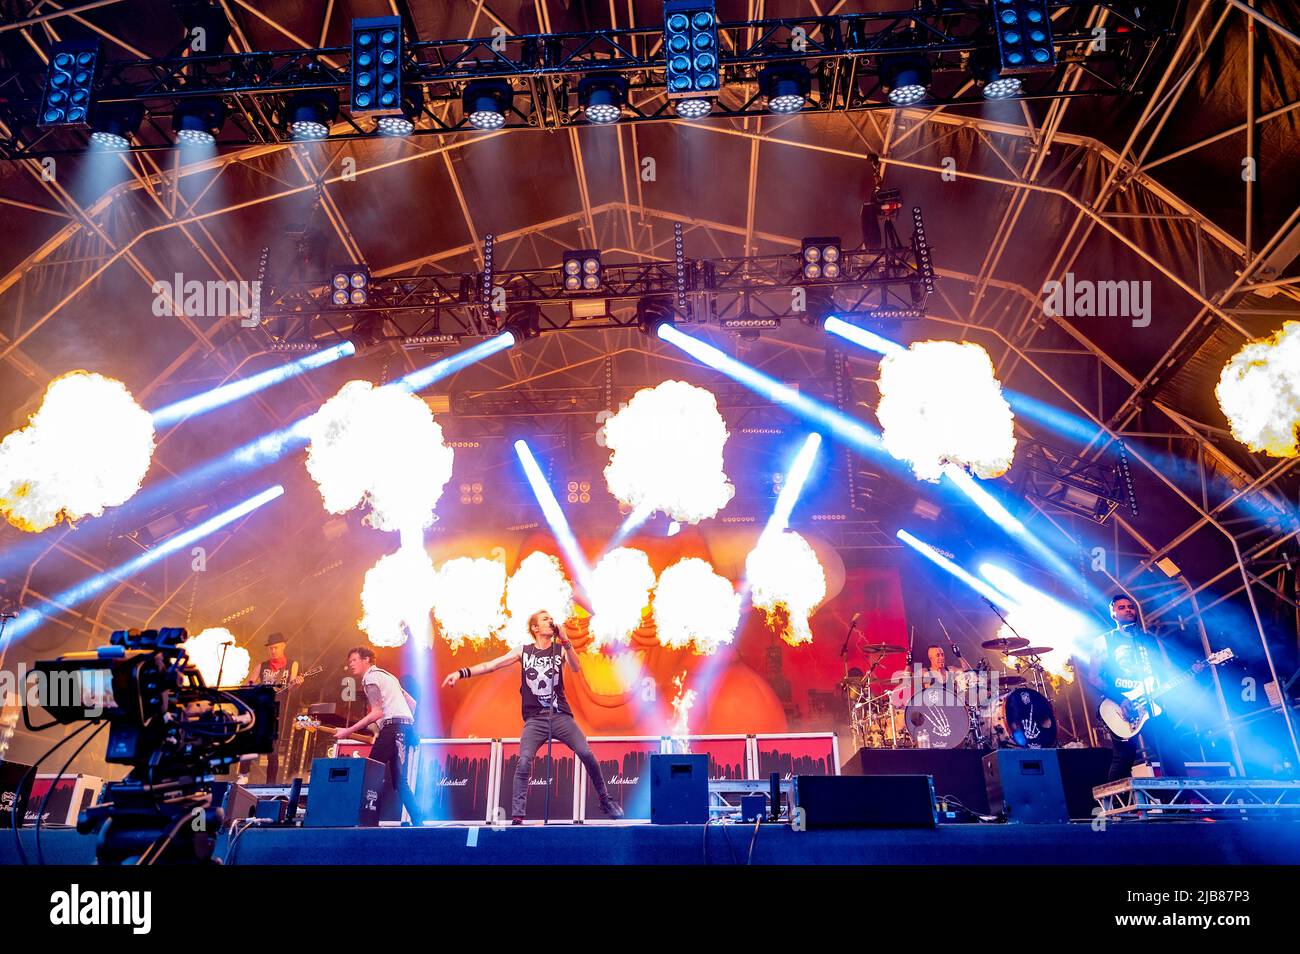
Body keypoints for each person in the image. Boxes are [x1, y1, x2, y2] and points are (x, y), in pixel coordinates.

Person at [442, 610, 624, 824]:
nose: (550, 621)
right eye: (545, 619)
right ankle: (518, 815)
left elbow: (576, 667)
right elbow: (491, 665)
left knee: (586, 753)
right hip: (535, 720)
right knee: (524, 761)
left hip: (560, 716)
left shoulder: (559, 649)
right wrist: (461, 673)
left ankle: (606, 799)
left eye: (550, 619)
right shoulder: (524, 651)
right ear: (535, 628)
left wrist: (566, 641)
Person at [1089, 594, 1203, 782]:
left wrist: (1190, 672)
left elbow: (1166, 669)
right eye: (1122, 607)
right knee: (1124, 759)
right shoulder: (1104, 641)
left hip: (1152, 705)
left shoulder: (1150, 640)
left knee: (1172, 753)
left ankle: (1180, 807)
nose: (1128, 610)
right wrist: (1121, 699)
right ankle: (1119, 809)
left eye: (1130, 606)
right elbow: (1094, 678)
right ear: (1113, 614)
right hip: (1120, 706)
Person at [336, 647, 423, 825]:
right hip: (405, 728)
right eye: (349, 661)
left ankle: (364, 820)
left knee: (370, 774)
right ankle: (419, 821)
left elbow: (377, 712)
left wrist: (348, 731)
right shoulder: (389, 676)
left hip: (393, 729)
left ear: (366, 659)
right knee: (400, 781)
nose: (350, 664)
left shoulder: (371, 678)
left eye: (354, 660)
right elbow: (412, 704)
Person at [246, 632, 303, 784]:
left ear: (283, 646)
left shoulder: (292, 664)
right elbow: (248, 685)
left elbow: (291, 688)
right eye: (270, 648)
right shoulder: (262, 666)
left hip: (277, 710)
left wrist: (296, 683)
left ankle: (270, 783)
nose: (273, 651)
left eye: (276, 647)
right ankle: (243, 776)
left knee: (273, 748)